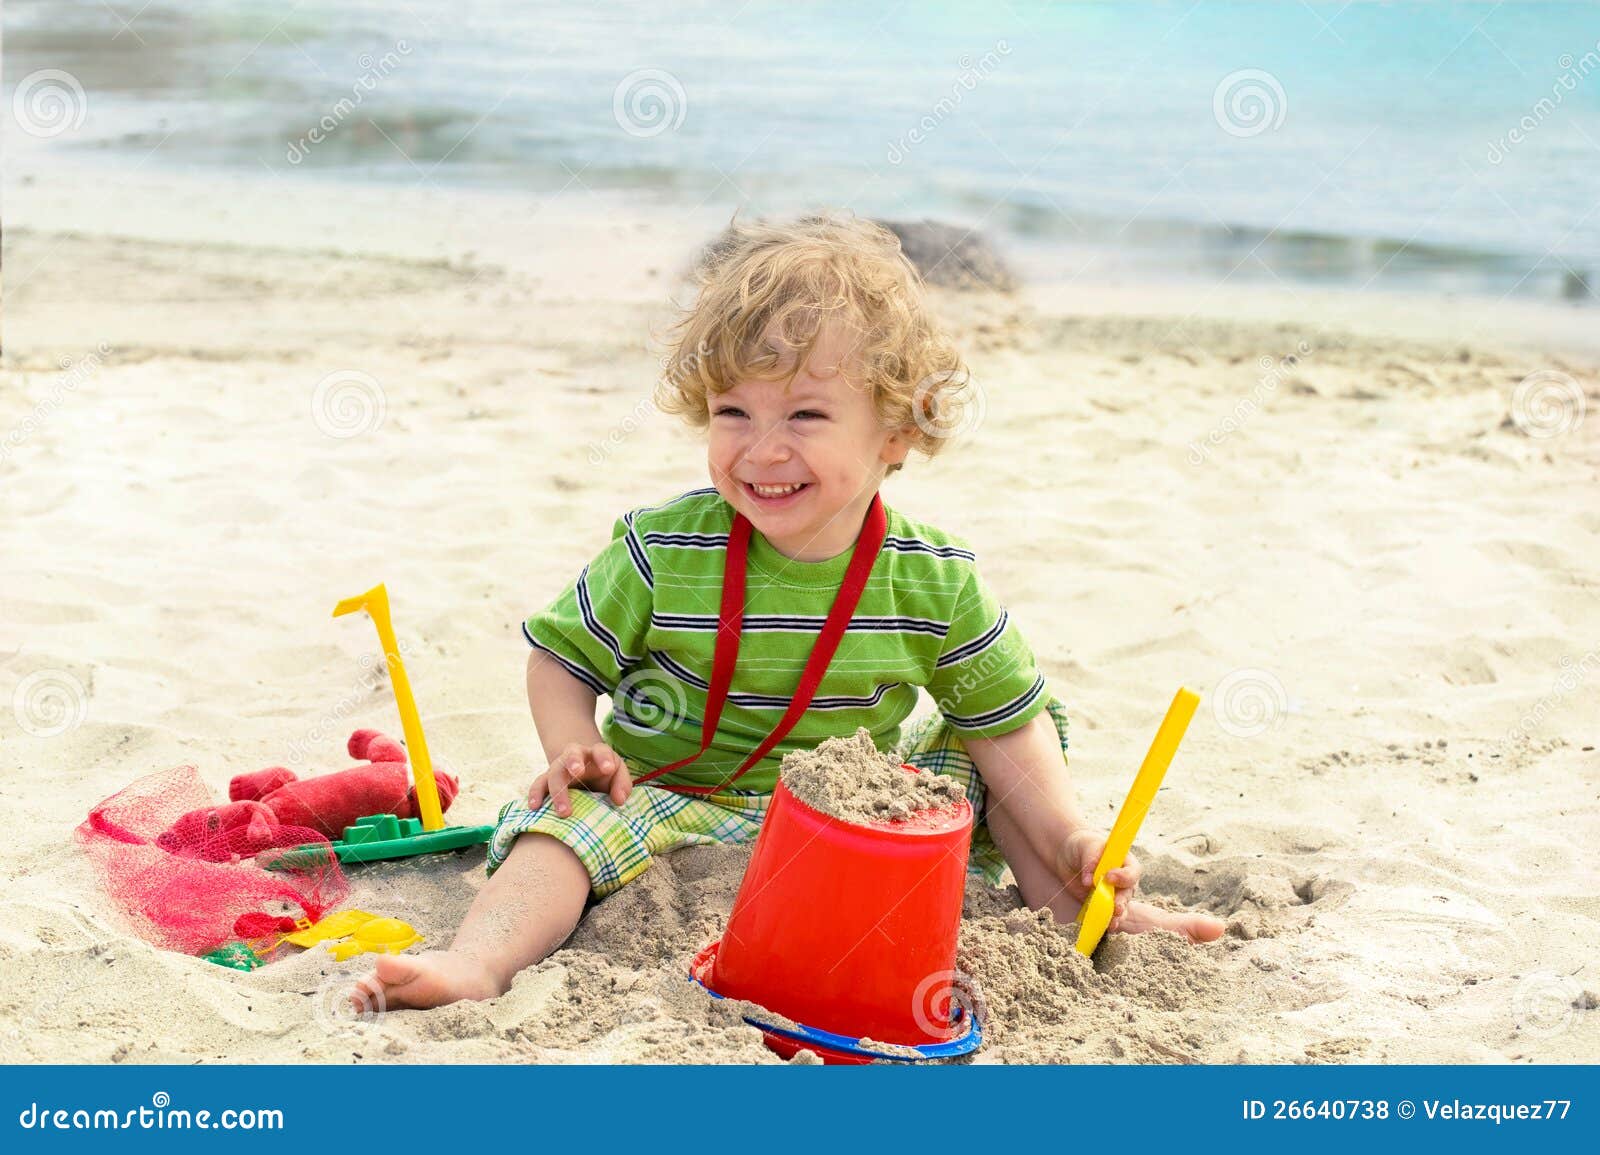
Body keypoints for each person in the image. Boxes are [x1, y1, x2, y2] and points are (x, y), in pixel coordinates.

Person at [354, 214, 1224, 1013]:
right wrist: (571, 743)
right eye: (733, 411)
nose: (763, 447)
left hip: (849, 821)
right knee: (562, 826)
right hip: (670, 796)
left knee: (1001, 741)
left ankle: (1086, 912)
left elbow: (1006, 721)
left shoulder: (932, 577)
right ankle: (478, 963)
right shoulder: (665, 549)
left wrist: (1070, 828)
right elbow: (562, 658)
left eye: (805, 414)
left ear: (895, 434)